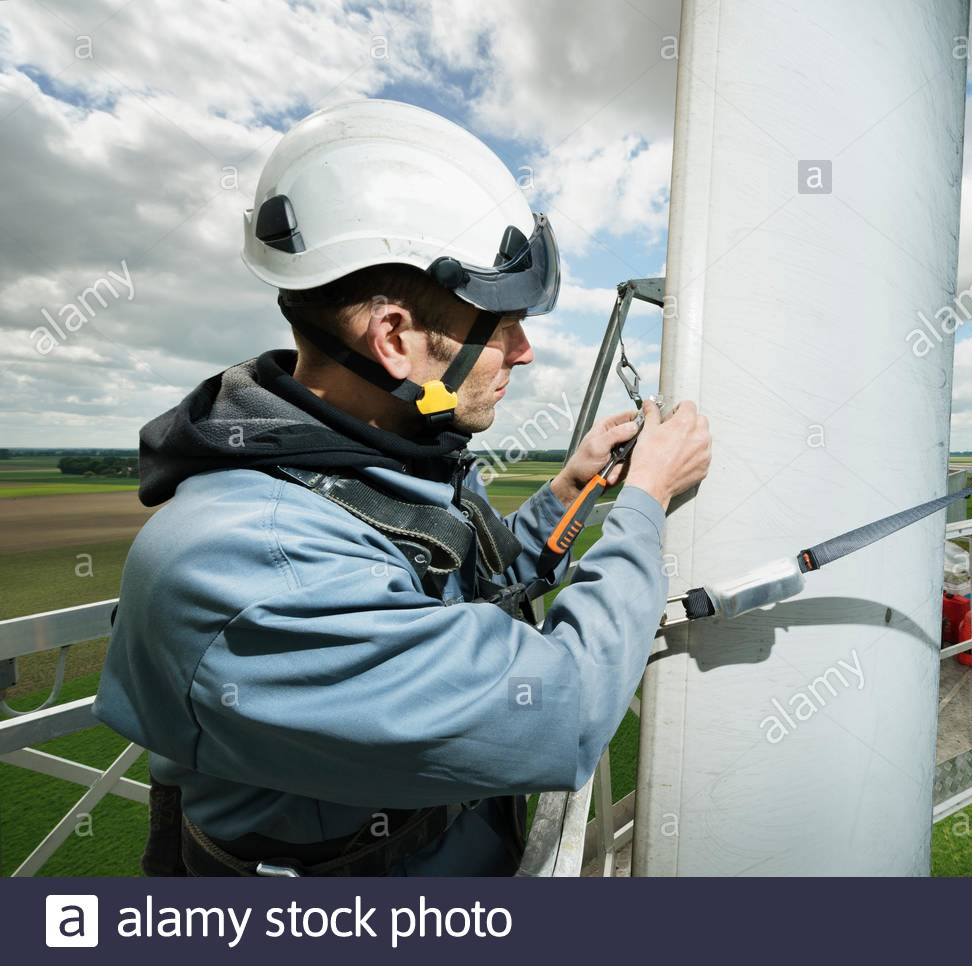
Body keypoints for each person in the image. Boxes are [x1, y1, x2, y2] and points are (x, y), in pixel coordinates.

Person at [92, 99, 712, 876]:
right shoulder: (253, 567)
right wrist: (646, 501)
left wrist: (568, 488)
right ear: (394, 339)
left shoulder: (375, 461)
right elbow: (566, 710)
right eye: (503, 322)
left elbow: (459, 590)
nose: (523, 353)